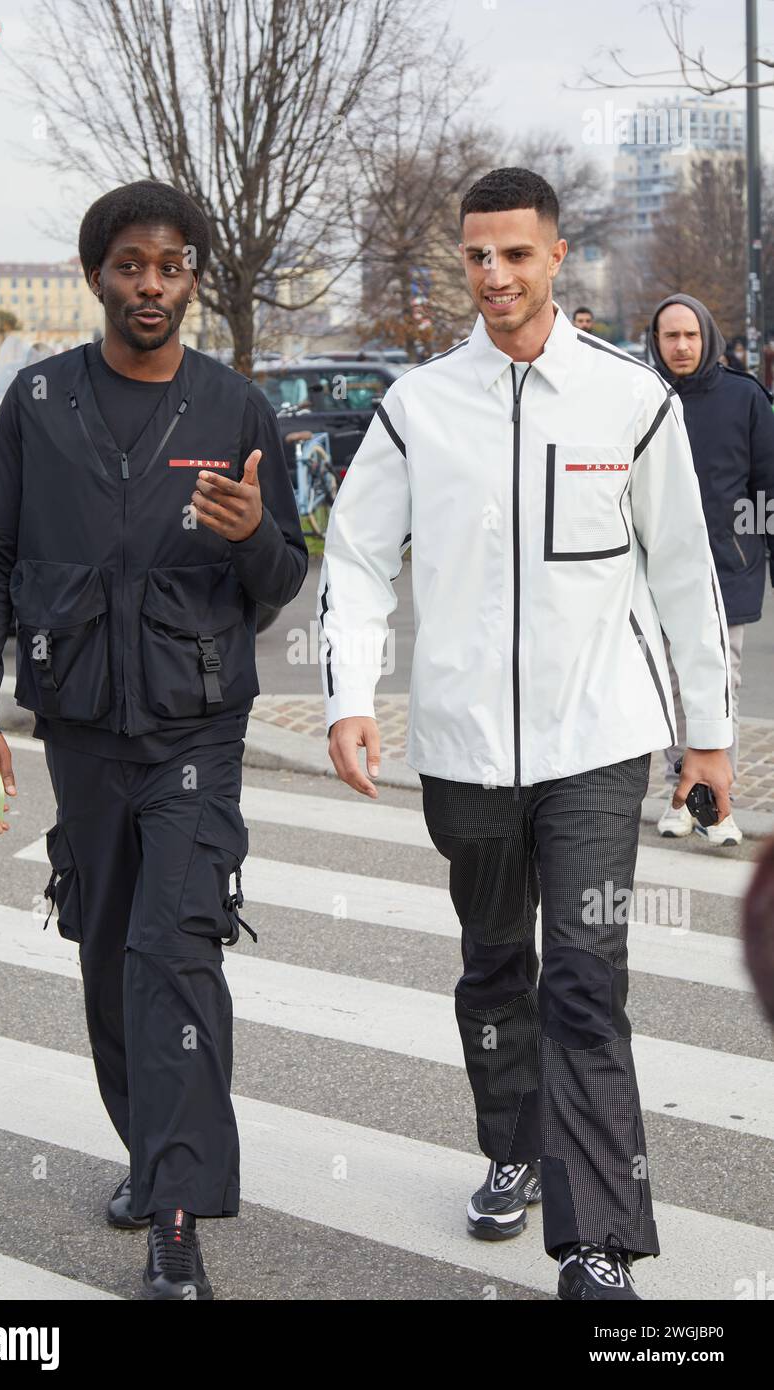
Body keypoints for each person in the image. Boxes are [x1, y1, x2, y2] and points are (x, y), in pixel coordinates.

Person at [317, 167, 733, 1301]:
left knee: (586, 979)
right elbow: (354, 561)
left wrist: (708, 733)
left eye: (514, 253)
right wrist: (350, 694)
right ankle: (511, 1141)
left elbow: (685, 571)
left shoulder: (626, 398)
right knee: (497, 965)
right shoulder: (417, 407)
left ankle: (597, 1244)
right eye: (475, 256)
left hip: (599, 742)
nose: (493, 275)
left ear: (557, 257)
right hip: (461, 749)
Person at [0, 180, 308, 1300]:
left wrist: (254, 543)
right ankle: (151, 1153)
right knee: (109, 959)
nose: (151, 284)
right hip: (83, 731)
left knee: (174, 953)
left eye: (172, 265)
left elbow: (285, 578)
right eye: (130, 265)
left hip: (197, 728)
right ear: (95, 272)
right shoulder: (41, 400)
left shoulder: (235, 409)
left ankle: (177, 1221)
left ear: (194, 273)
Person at [648, 293, 774, 845]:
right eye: (670, 336)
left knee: (722, 685)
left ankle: (714, 802)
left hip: (730, 569)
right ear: (656, 342)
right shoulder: (644, 396)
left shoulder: (744, 397)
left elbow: (767, 488)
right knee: (671, 687)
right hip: (657, 574)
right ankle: (686, 794)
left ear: (707, 338)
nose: (680, 345)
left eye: (690, 335)